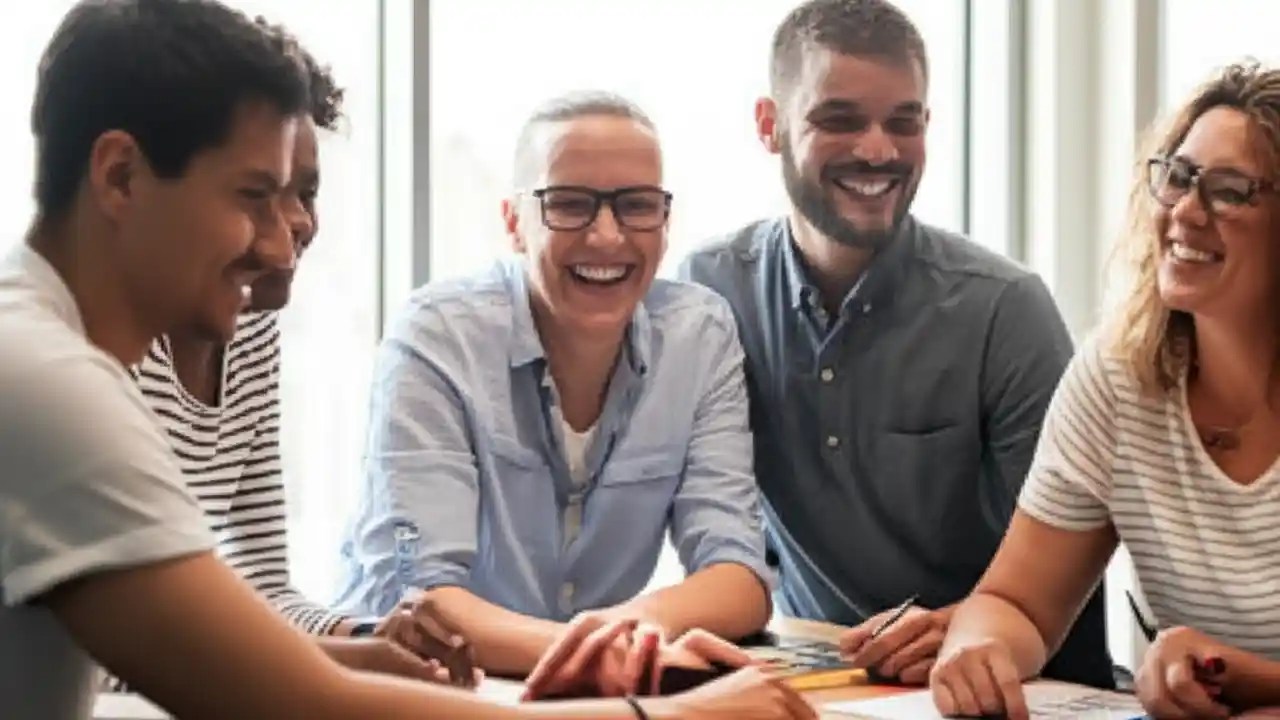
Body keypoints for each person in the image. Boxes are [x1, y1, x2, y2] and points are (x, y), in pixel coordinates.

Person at [0, 2, 811, 719]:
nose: (282, 240)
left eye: (298, 196)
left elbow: (247, 619)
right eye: (252, 197)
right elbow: (293, 702)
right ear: (119, 177)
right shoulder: (45, 380)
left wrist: (359, 647)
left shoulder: (77, 346)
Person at [679, 0, 1112, 688]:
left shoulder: (1006, 309)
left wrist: (965, 624)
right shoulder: (708, 293)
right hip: (827, 686)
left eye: (903, 122)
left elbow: (1071, 555)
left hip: (1024, 690)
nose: (878, 149)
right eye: (840, 119)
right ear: (770, 126)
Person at [335, 90, 774, 684]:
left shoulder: (700, 336)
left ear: (665, 224)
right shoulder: (439, 337)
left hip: (590, 689)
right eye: (569, 205)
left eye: (637, 206)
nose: (607, 236)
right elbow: (420, 600)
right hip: (425, 689)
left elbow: (739, 577)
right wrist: (606, 652)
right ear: (515, 224)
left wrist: (619, 635)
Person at [930, 61, 1280, 720]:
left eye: (1230, 190)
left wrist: (1245, 677)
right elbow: (1016, 605)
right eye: (1177, 177)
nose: (1185, 211)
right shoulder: (1119, 378)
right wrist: (977, 650)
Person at [118, 18, 463, 685]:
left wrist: (361, 632)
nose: (296, 225)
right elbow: (120, 645)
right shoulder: (100, 349)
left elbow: (261, 589)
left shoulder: (246, 330)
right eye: (261, 193)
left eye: (306, 192)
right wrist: (345, 661)